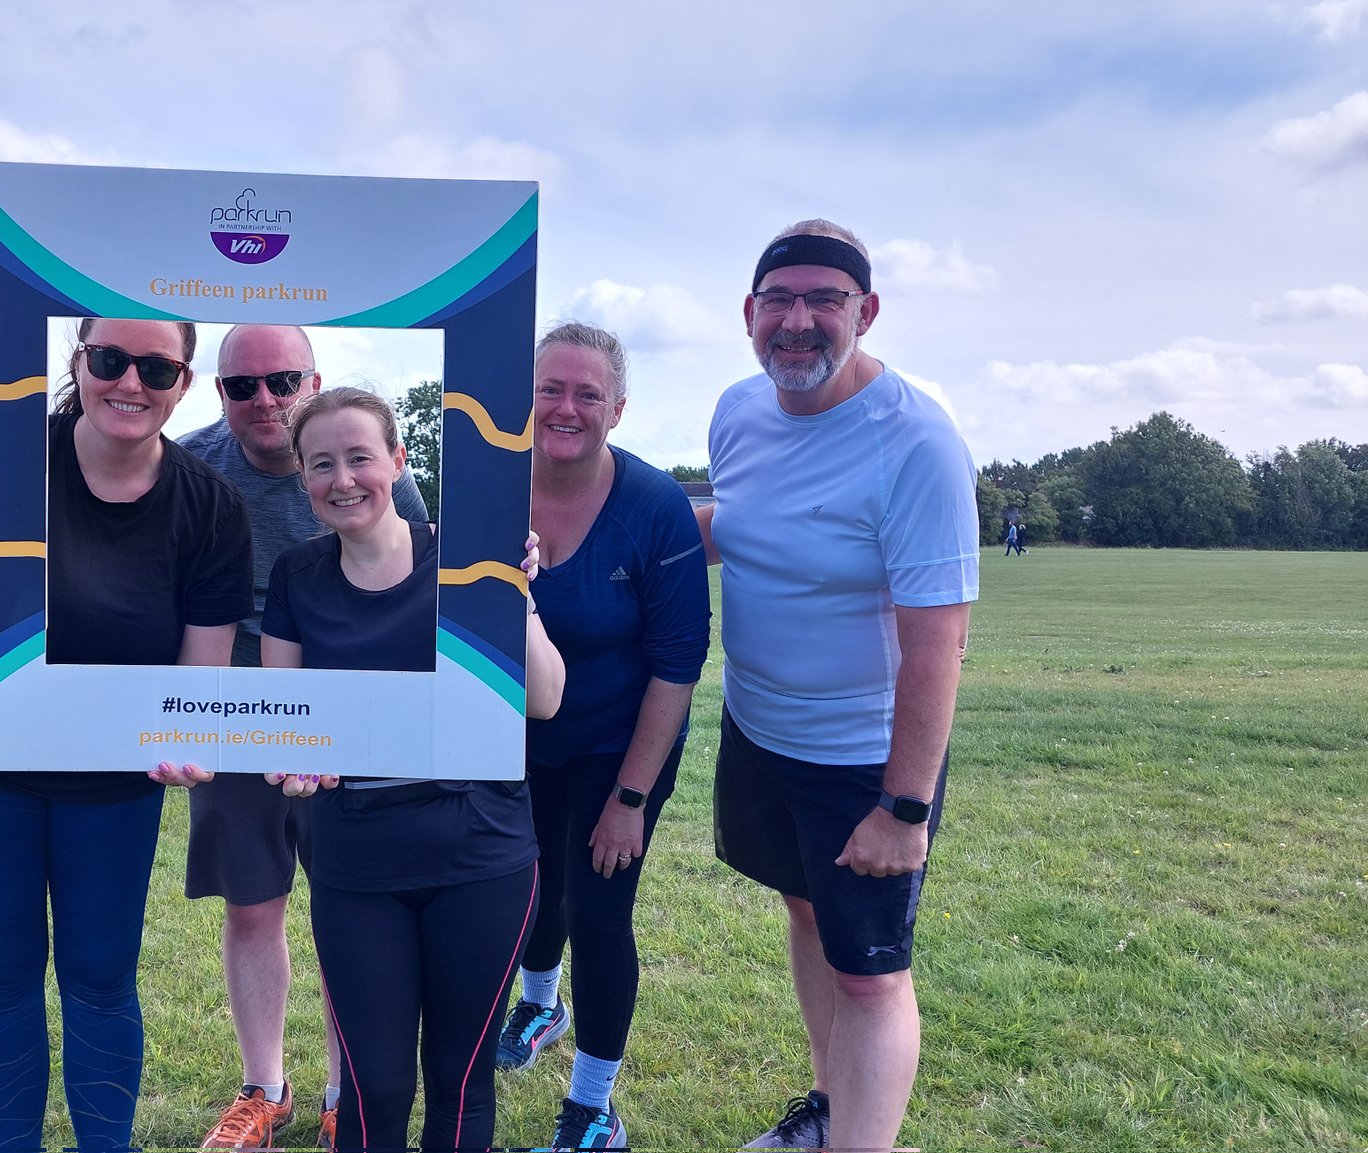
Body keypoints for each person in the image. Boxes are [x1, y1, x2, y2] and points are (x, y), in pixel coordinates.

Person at [0, 317, 250, 1152]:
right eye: (110, 360)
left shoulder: (209, 504)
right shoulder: (0, 469)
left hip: (111, 778)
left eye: (157, 368)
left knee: (101, 979)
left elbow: (199, 678)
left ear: (184, 381)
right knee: (0, 977)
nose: (130, 383)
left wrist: (189, 740)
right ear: (78, 362)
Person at [702, 221, 978, 1152]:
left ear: (865, 311)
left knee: (871, 973)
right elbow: (740, 522)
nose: (799, 320)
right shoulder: (738, 410)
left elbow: (940, 636)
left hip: (862, 756)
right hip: (758, 731)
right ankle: (829, 1110)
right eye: (779, 299)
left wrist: (905, 807)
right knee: (807, 911)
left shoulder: (918, 442)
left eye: (825, 300)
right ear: (749, 313)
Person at [259, 387, 565, 1153]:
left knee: (461, 1080)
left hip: (481, 853)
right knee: (376, 1082)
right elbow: (284, 719)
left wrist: (512, 594)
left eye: (360, 456)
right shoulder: (298, 575)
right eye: (321, 463)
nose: (343, 478)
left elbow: (547, 698)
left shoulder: (470, 556)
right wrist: (290, 761)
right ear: (303, 479)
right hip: (356, 860)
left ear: (397, 460)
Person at [176, 324, 429, 1151]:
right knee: (254, 904)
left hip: (352, 713)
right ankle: (264, 1090)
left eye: (283, 381)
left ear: (312, 380)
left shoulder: (370, 463)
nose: (265, 401)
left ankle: (336, 1088)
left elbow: (420, 576)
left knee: (347, 908)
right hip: (235, 708)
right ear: (217, 391)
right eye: (241, 385)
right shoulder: (192, 464)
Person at [497, 322, 711, 1151]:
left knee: (598, 903)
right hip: (516, 737)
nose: (565, 406)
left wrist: (629, 799)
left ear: (617, 408)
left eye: (587, 393)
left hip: (620, 743)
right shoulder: (490, 484)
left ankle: (592, 1106)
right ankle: (539, 1005)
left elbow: (677, 664)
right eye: (551, 387)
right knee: (527, 887)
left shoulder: (655, 508)